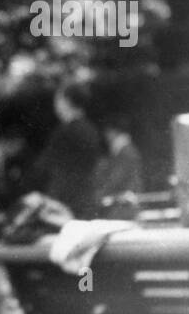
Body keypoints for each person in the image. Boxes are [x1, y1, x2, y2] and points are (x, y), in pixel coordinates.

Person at [24, 82, 101, 218]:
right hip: (88, 198)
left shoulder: (64, 132)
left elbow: (46, 167)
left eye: (57, 99)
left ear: (66, 101)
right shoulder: (91, 130)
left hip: (65, 203)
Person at [92, 113, 144, 214]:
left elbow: (117, 178)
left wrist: (100, 194)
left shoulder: (126, 151)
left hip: (125, 205)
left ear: (112, 131)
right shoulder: (123, 150)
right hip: (122, 202)